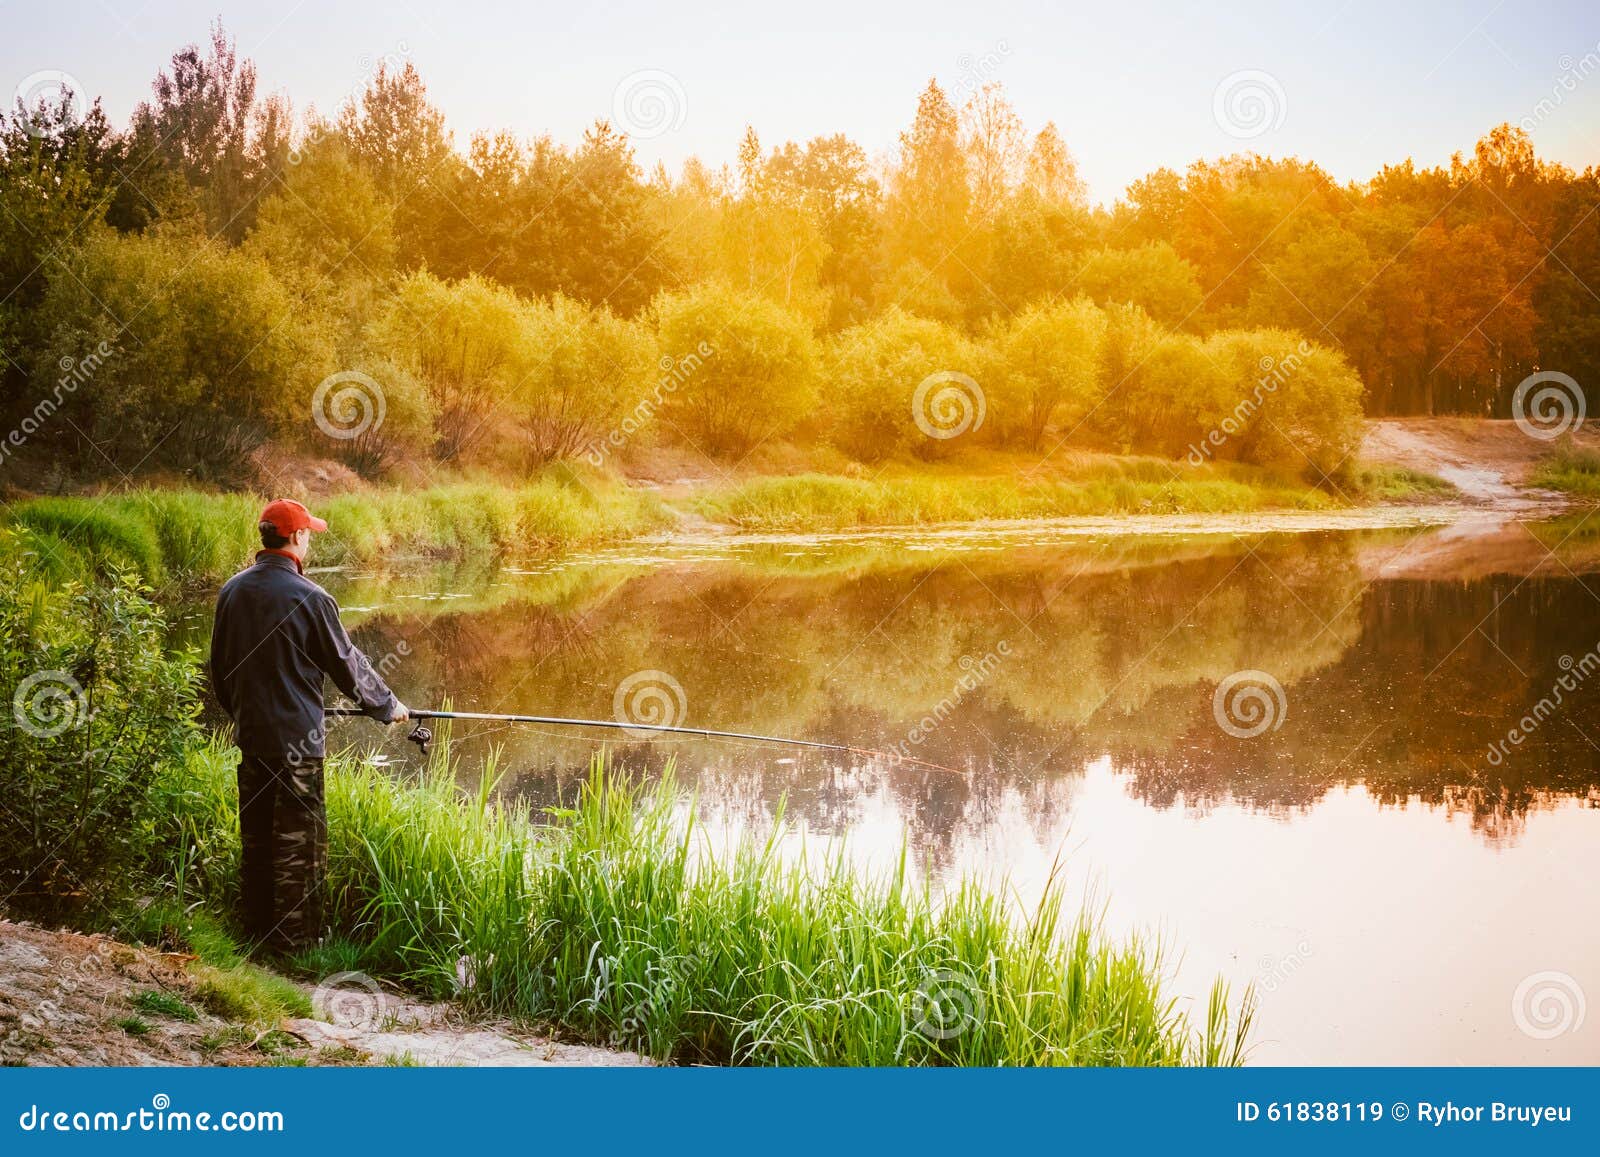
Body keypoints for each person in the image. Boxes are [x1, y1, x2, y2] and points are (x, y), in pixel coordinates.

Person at [209, 498, 408, 951]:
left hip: (253, 740)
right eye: (309, 534)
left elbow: (219, 669)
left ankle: (255, 935)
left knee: (257, 840)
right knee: (299, 848)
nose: (310, 541)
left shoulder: (232, 591)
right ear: (296, 538)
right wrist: (387, 706)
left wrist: (242, 713)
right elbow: (346, 665)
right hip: (299, 745)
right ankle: (297, 946)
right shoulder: (312, 598)